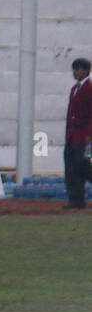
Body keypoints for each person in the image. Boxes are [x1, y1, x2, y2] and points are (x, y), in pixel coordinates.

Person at [63, 57, 92, 209]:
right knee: (71, 168)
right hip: (72, 135)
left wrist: (89, 134)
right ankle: (76, 200)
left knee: (84, 166)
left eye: (78, 69)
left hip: (83, 136)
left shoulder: (89, 88)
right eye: (74, 69)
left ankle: (77, 199)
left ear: (86, 71)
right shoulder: (74, 89)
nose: (75, 72)